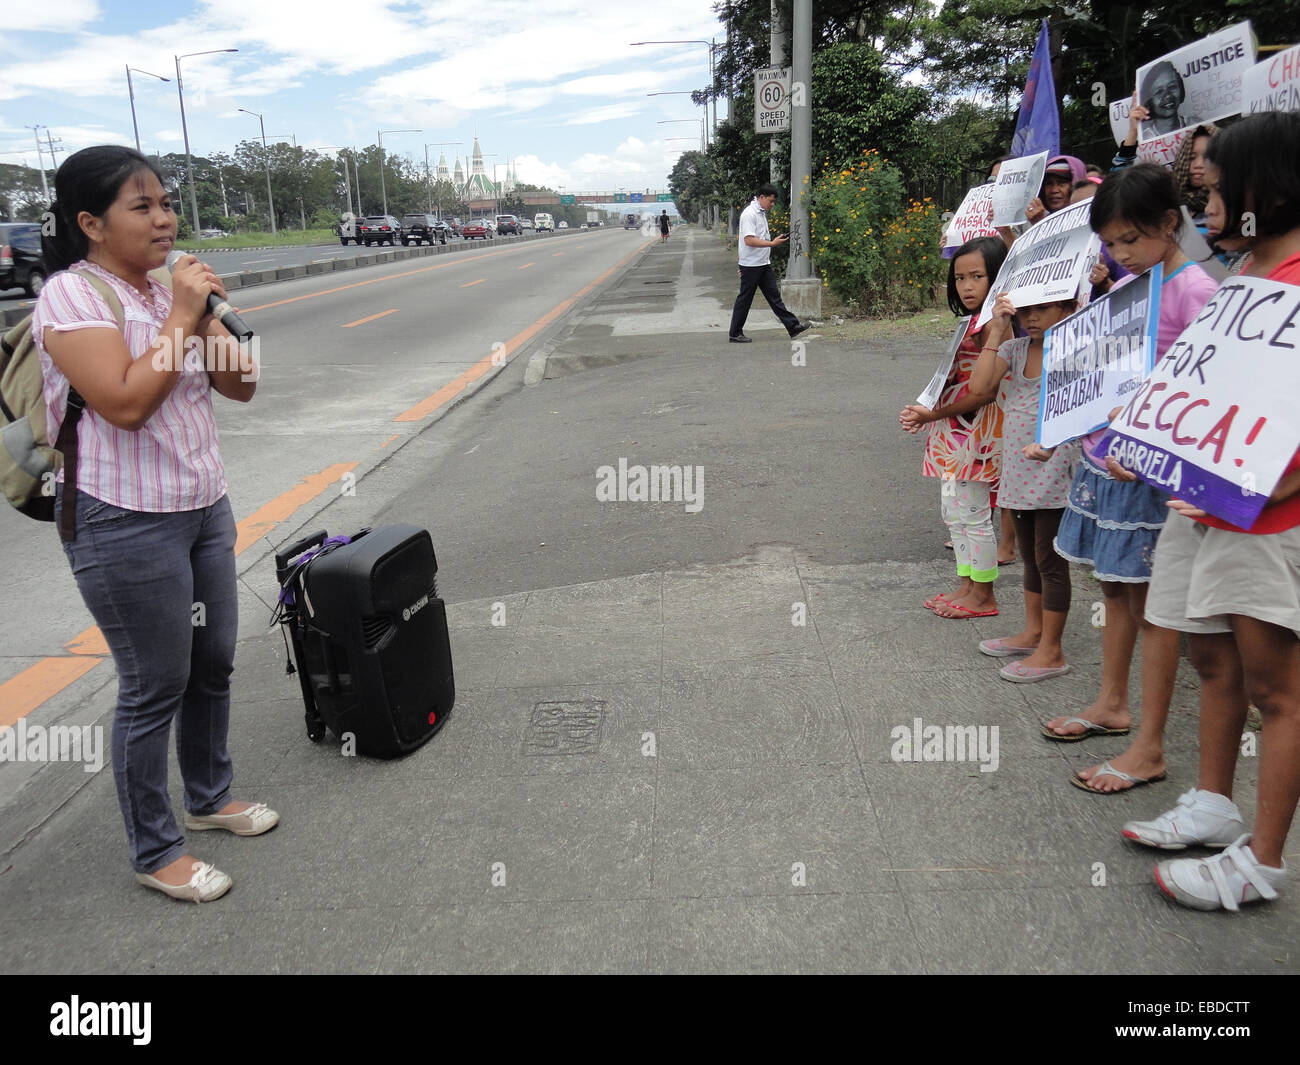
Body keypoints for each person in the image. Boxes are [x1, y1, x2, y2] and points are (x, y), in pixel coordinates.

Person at [33, 146, 277, 904]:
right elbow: (127, 402)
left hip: (202, 505)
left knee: (214, 661)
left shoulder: (168, 293)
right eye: (141, 207)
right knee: (153, 684)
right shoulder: (73, 300)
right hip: (121, 519)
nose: (164, 217)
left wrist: (201, 316)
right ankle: (155, 846)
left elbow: (242, 384)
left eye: (165, 203)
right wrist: (179, 311)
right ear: (90, 223)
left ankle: (208, 797)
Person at [1113, 112, 1300, 911]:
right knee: (1211, 659)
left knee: (1278, 691)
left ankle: (1261, 860)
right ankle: (1214, 803)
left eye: (1217, 189)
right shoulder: (1244, 278)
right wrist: (1147, 442)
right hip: (1207, 512)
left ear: (1269, 185)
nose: (1203, 204)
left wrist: (1267, 489)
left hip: (1262, 526)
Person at [1041, 166, 1218, 800]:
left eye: (1128, 241)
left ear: (1170, 225)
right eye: (1109, 245)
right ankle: (1113, 703)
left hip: (1153, 474)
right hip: (1111, 461)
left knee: (1158, 611)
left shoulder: (1194, 290)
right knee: (1116, 589)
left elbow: (1203, 393)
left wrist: (1146, 445)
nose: (1117, 255)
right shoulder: (1138, 284)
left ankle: (1150, 744)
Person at [969, 292, 1079, 681]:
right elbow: (979, 387)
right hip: (1017, 468)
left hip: (1054, 468)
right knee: (1031, 557)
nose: (1031, 318)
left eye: (1043, 309)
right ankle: (1034, 632)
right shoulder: (1015, 349)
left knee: (1050, 561)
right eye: (1025, 310)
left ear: (1068, 308)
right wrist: (997, 329)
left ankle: (1053, 651)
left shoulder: (1075, 349)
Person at [899, 237, 1008, 619]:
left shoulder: (999, 327)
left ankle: (984, 594)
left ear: (997, 276)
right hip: (952, 434)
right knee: (954, 513)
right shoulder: (971, 322)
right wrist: (926, 409)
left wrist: (930, 415)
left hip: (977, 437)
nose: (966, 286)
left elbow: (984, 393)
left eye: (977, 276)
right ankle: (966, 584)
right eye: (960, 277)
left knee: (974, 515)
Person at [728, 183, 810, 343]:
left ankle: (793, 327)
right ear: (762, 197)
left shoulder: (761, 213)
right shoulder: (749, 214)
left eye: (774, 202)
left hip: (762, 263)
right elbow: (749, 240)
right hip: (751, 266)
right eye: (770, 201)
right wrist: (772, 244)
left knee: (774, 297)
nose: (772, 205)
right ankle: (735, 333)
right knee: (745, 299)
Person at [1139, 61, 1201, 138]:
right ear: (1149, 101)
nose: (1167, 95)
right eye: (1159, 91)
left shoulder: (1197, 125)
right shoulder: (1144, 138)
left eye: (1172, 87)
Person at [1025, 156, 1087, 225]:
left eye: (1062, 182)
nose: (1054, 190)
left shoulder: (1089, 221)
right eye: (1049, 183)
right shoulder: (1032, 218)